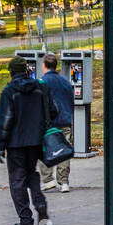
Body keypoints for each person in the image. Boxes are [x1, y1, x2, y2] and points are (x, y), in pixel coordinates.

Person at [0, 55, 62, 225]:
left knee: (17, 180)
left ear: (11, 72)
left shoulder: (9, 92)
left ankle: (26, 218)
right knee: (32, 174)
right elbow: (53, 110)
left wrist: (0, 146)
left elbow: (5, 120)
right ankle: (41, 206)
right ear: (27, 70)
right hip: (36, 141)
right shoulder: (40, 87)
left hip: (16, 144)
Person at [36, 53, 74, 192]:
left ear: (44, 65)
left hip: (48, 123)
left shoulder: (42, 82)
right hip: (65, 121)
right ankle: (63, 182)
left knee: (45, 150)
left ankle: (48, 179)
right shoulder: (65, 81)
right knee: (63, 151)